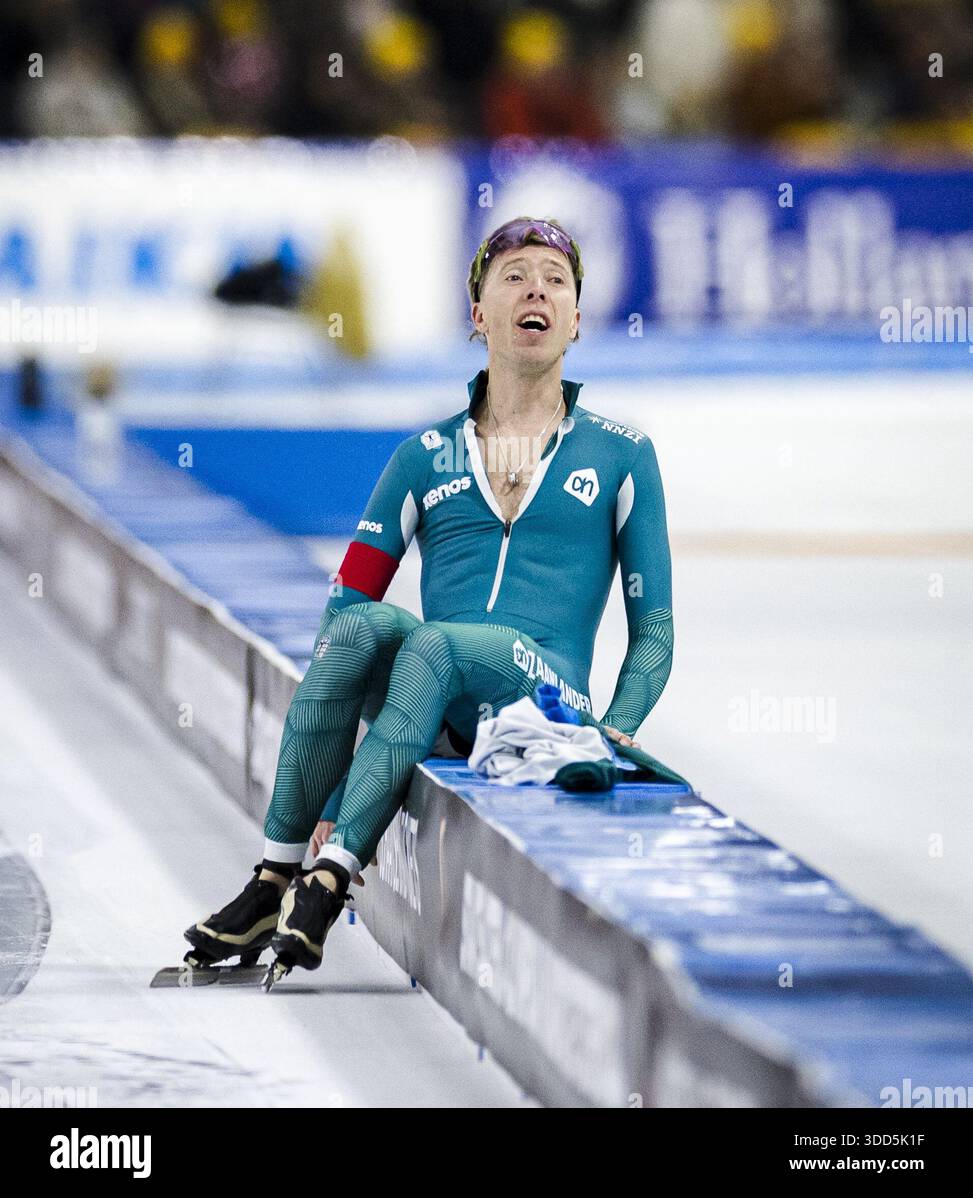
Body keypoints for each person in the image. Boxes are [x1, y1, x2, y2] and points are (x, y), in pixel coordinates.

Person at [184, 217, 674, 976]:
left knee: (437, 641)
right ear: (479, 315)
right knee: (360, 632)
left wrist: (615, 728)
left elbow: (656, 630)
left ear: (576, 320)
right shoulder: (423, 455)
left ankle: (331, 878)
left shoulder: (622, 452)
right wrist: (333, 781)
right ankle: (275, 876)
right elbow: (348, 603)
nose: (535, 288)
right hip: (429, 693)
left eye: (555, 279)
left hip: (543, 693)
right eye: (514, 276)